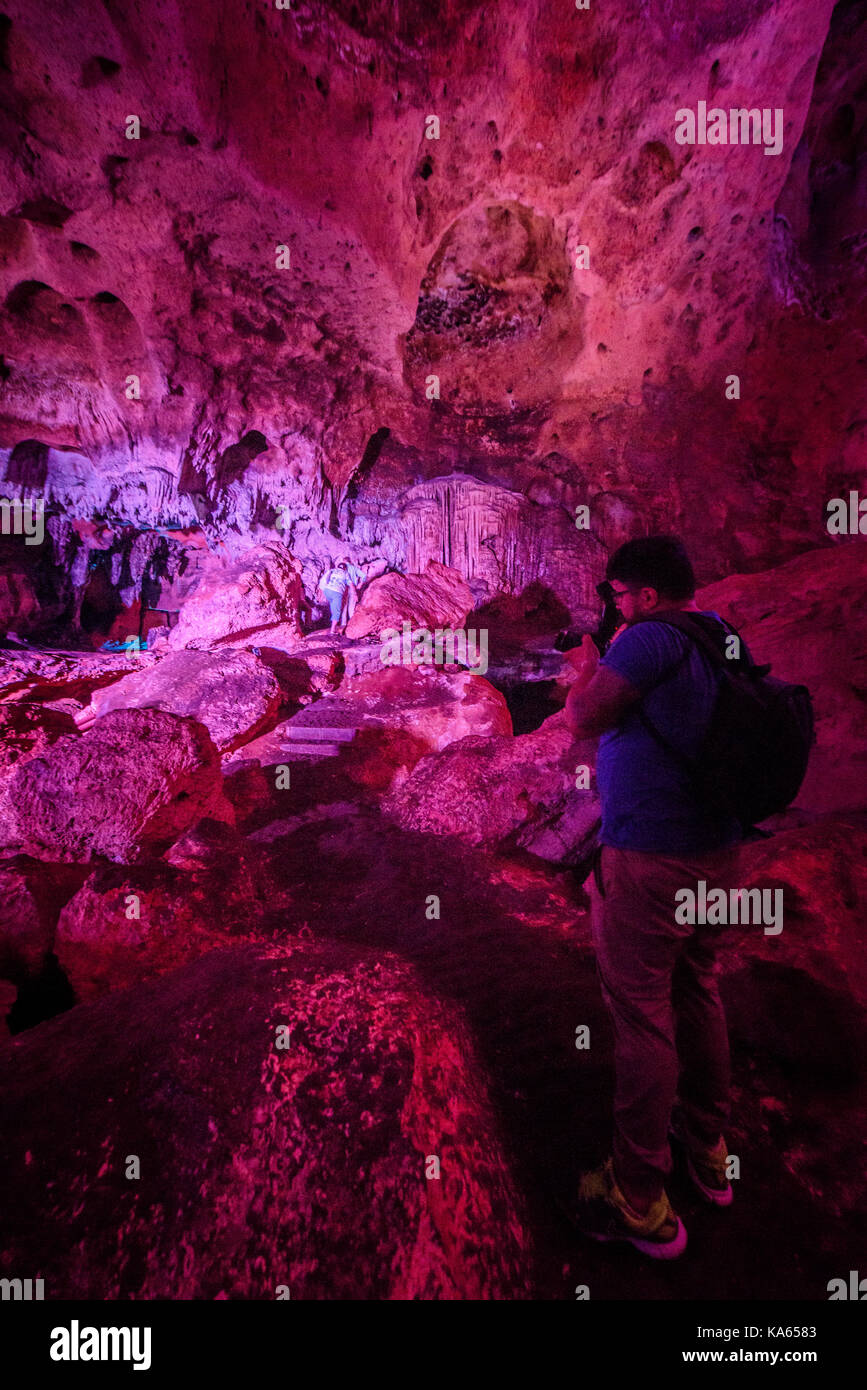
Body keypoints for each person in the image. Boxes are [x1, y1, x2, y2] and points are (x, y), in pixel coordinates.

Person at [563, 536, 747, 1260]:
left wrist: (586, 663)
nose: (613, 607)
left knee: (642, 1018)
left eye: (616, 595)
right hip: (718, 848)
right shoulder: (720, 632)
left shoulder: (644, 640)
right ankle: (706, 1144)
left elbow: (584, 717)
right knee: (697, 988)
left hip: (652, 855)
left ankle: (637, 1194)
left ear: (641, 594)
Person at [317, 559, 349, 635]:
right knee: (337, 612)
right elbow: (350, 583)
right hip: (337, 592)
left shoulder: (331, 570)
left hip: (327, 591)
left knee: (333, 608)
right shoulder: (345, 573)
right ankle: (332, 630)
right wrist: (354, 592)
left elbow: (323, 580)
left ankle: (331, 624)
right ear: (345, 568)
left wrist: (321, 592)